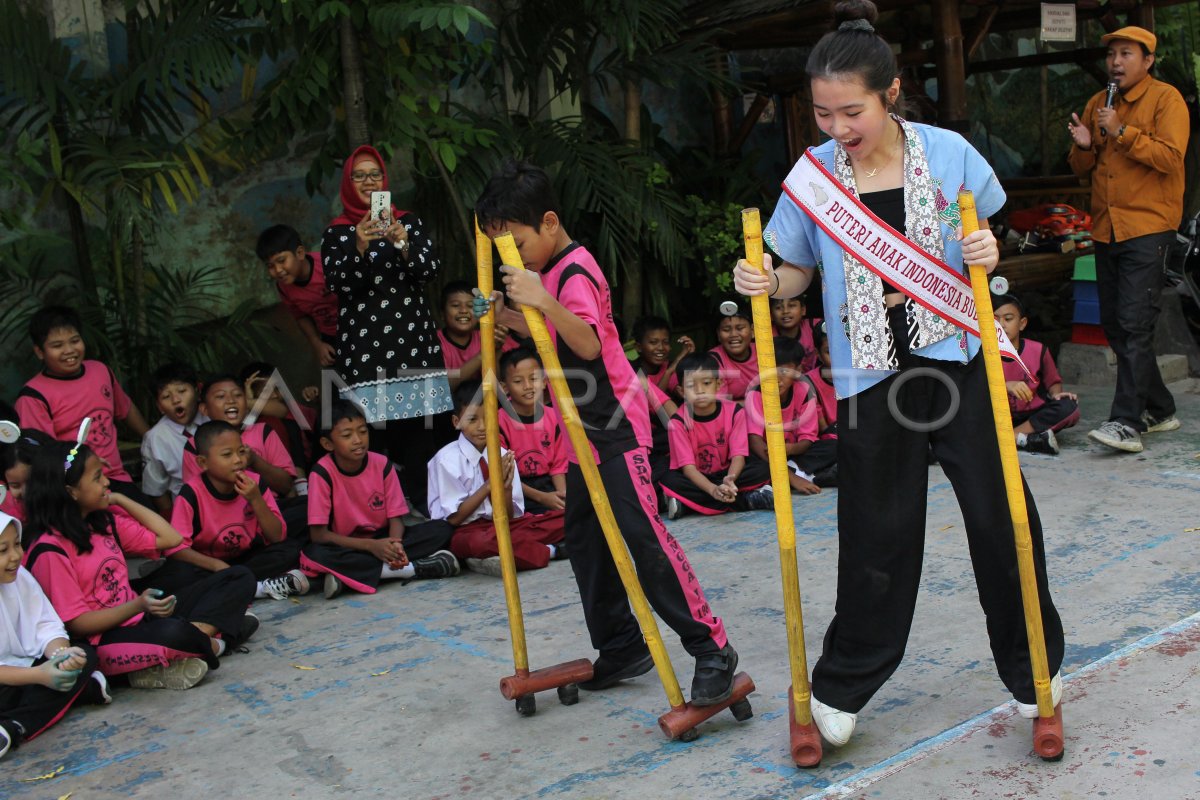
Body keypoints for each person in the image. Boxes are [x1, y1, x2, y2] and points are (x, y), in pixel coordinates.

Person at [733, 0, 1064, 746]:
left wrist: (986, 252)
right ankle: (842, 686)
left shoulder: (949, 154)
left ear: (890, 93)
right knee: (875, 533)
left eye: (852, 112)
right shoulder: (813, 176)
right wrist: (768, 282)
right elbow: (795, 271)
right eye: (823, 114)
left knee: (1000, 517)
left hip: (957, 362)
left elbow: (984, 238)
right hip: (869, 373)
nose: (838, 128)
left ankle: (1036, 674)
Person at [476, 160, 740, 705]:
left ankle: (712, 648)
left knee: (643, 538)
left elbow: (588, 343)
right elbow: (549, 334)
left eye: (517, 244)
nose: (514, 258)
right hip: (582, 432)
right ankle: (621, 645)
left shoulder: (574, 270)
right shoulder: (547, 272)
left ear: (549, 223)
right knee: (586, 540)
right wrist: (506, 315)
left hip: (615, 425)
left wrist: (539, 299)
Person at [22, 440, 257, 690]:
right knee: (173, 633)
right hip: (102, 640)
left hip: (142, 617)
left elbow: (171, 539)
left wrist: (120, 499)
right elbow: (78, 624)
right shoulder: (50, 549)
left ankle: (191, 643)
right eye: (97, 477)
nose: (106, 482)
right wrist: (137, 606)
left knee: (239, 577)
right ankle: (217, 640)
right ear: (72, 492)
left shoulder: (101, 522)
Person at [1067, 25, 1189, 453]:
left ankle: (1126, 422)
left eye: (1126, 54)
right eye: (1112, 55)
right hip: (1106, 227)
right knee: (1116, 325)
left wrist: (1122, 131)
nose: (1115, 63)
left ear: (1148, 60)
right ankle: (1160, 408)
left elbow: (1171, 158)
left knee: (1135, 323)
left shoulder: (1166, 99)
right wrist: (1085, 145)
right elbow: (1081, 168)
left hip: (1148, 226)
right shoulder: (1099, 102)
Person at [321, 144, 453, 510]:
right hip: (366, 350)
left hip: (413, 342)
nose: (368, 182)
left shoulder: (407, 221)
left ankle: (429, 509)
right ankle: (379, 513)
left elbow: (429, 271)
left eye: (374, 175)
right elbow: (338, 284)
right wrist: (359, 247)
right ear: (348, 183)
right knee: (371, 434)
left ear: (384, 180)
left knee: (420, 433)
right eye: (359, 176)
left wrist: (403, 244)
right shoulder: (337, 232)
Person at [302, 400, 459, 599]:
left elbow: (396, 518)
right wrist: (371, 547)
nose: (358, 440)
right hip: (347, 545)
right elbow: (319, 535)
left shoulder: (382, 464)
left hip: (383, 538)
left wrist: (395, 545)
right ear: (327, 444)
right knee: (314, 553)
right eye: (347, 435)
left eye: (362, 431)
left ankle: (350, 576)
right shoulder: (321, 473)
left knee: (441, 529)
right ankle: (411, 569)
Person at [154, 421, 310, 601]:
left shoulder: (255, 483)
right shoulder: (191, 493)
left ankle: (236, 584)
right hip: (209, 564)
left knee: (289, 550)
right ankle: (255, 586)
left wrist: (256, 499)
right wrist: (216, 565)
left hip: (247, 558)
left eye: (241, 452)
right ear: (203, 462)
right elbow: (176, 549)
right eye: (227, 455)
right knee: (178, 574)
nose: (238, 460)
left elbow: (277, 537)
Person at [1, 511, 110, 760]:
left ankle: (13, 725)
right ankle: (18, 724)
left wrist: (62, 657)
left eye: (17, 544)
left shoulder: (20, 577)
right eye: (2, 550)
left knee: (84, 654)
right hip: (14, 679)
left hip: (27, 669)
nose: (15, 556)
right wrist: (40, 675)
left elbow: (46, 625)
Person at [15, 306, 151, 502]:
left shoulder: (100, 371)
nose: (69, 350)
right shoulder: (33, 396)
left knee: (151, 519)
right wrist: (83, 465)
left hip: (117, 478)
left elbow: (125, 408)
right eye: (57, 345)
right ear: (39, 352)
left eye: (75, 341)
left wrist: (152, 439)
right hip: (74, 490)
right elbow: (42, 455)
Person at [428, 384, 566, 576]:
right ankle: (553, 551)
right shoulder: (446, 460)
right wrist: (491, 485)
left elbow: (510, 517)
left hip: (505, 526)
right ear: (456, 422)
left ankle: (502, 555)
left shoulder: (502, 455)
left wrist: (506, 489)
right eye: (472, 420)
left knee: (565, 518)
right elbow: (454, 518)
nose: (482, 427)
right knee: (480, 543)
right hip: (466, 531)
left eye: (488, 418)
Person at [661, 353, 774, 519]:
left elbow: (738, 457)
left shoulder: (735, 412)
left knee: (763, 468)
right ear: (681, 391)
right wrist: (713, 490)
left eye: (706, 383)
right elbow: (688, 469)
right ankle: (747, 500)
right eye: (691, 386)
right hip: (698, 478)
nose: (700, 391)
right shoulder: (678, 423)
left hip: (729, 473)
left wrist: (730, 481)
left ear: (718, 384)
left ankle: (689, 505)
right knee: (669, 480)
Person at [183, 375, 297, 499]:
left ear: (246, 403)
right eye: (220, 396)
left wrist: (254, 460)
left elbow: (286, 486)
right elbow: (197, 496)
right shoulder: (195, 445)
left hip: (273, 506)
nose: (231, 400)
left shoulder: (263, 431)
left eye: (237, 395)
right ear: (205, 409)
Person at [994, 295, 1080, 455]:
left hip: (1032, 417)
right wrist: (1005, 386)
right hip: (997, 416)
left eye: (1008, 319)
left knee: (1069, 406)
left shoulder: (1038, 350)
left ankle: (1009, 437)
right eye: (995, 319)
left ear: (1022, 323)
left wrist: (1057, 395)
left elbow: (1053, 382)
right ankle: (1026, 440)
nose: (1001, 325)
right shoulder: (981, 354)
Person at [745, 337, 831, 493]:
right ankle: (800, 475)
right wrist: (789, 476)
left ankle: (796, 471)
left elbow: (807, 439)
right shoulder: (755, 394)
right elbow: (754, 440)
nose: (776, 379)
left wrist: (790, 449)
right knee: (750, 463)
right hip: (766, 456)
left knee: (833, 444)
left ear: (798, 371)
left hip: (794, 454)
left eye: (784, 372)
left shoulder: (805, 391)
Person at [256, 224, 339, 368]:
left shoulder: (328, 265)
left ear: (300, 253)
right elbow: (301, 316)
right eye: (270, 266)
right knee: (334, 379)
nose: (278, 270)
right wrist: (317, 344)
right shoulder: (284, 288)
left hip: (359, 326)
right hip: (330, 338)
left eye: (281, 260)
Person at [497, 348, 568, 515]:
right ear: (504, 387)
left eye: (533, 378)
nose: (528, 386)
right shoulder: (498, 422)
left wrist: (562, 497)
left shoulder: (554, 417)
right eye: (518, 381)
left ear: (544, 381)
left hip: (550, 485)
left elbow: (558, 468)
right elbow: (505, 475)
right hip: (515, 490)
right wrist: (543, 498)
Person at [141, 362, 209, 515]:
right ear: (159, 406)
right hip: (189, 510)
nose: (176, 400)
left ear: (198, 391)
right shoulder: (156, 438)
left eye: (182, 391)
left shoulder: (214, 416)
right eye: (166, 396)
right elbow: (156, 489)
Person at [437, 280, 517, 390]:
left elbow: (499, 386)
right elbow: (443, 386)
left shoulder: (489, 336)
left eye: (471, 305)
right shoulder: (434, 342)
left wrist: (497, 350)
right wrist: (484, 353)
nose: (464, 310)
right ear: (442, 314)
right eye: (456, 305)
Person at [629, 315, 690, 396]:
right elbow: (653, 402)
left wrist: (690, 359)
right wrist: (668, 373)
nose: (661, 348)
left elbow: (684, 394)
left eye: (665, 342)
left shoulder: (668, 366)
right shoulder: (631, 371)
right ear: (638, 347)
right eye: (653, 342)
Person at [709, 305, 759, 403]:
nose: (733, 335)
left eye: (740, 328)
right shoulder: (713, 360)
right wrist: (759, 402)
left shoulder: (764, 351)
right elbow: (720, 404)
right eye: (726, 330)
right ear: (718, 335)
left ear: (752, 331)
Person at [770, 295, 821, 372]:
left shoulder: (814, 326)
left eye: (791, 305)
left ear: (803, 310)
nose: (785, 311)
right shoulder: (766, 334)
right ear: (770, 314)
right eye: (778, 307)